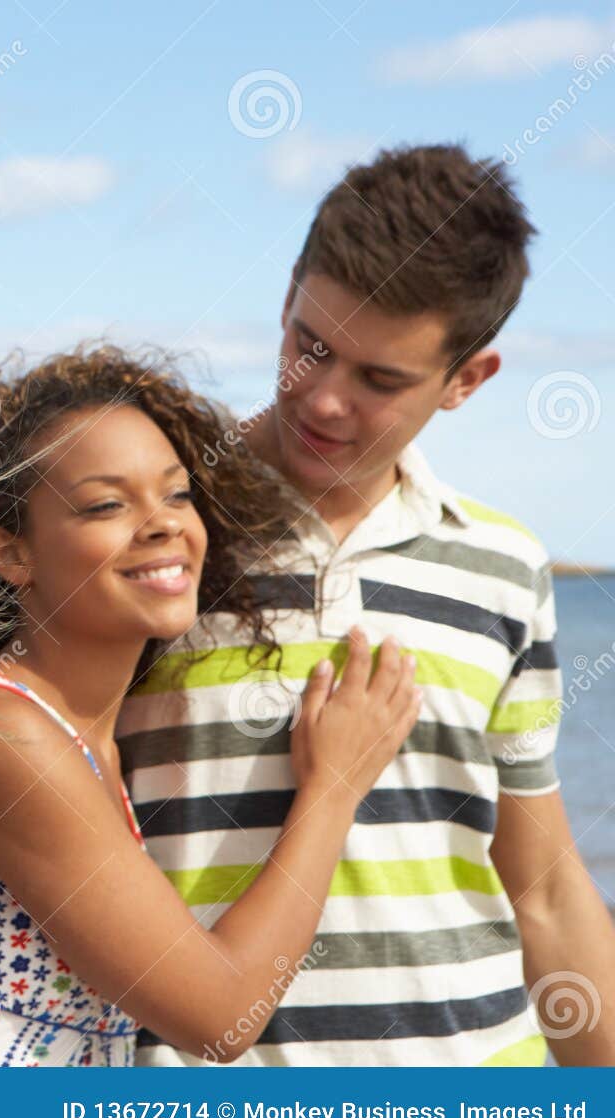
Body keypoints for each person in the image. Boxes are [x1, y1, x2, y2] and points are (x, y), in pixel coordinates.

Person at [119, 144, 615, 1066]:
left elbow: (543, 891)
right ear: (287, 299)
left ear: (468, 379)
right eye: (310, 344)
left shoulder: (505, 566)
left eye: (380, 380)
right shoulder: (156, 526)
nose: (324, 398)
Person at [0, 345, 418, 1066]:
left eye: (175, 494)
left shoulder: (41, 727)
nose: (164, 522)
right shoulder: (5, 734)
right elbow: (222, 1017)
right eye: (108, 504)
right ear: (12, 553)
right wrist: (336, 785)